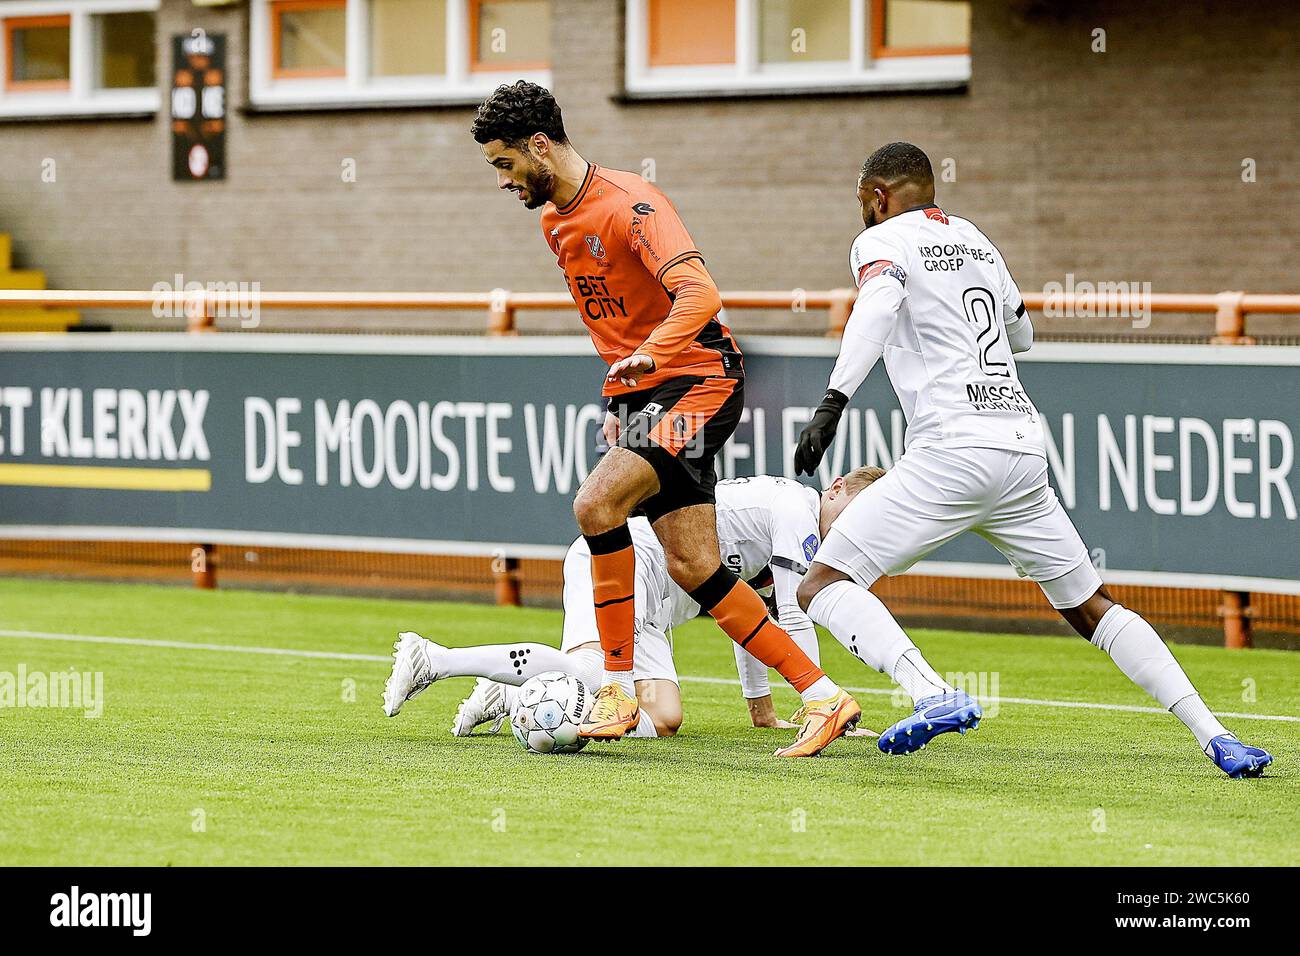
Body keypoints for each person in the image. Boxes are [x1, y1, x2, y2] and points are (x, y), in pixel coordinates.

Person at [792, 142, 1274, 777]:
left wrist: (833, 401)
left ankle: (932, 693)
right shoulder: (978, 242)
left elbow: (878, 306)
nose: (861, 214)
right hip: (1020, 449)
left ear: (879, 195)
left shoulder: (883, 241)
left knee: (821, 584)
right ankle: (1216, 735)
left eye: (862, 201)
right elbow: (1022, 333)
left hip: (953, 448)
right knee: (1090, 605)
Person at [469, 81, 857, 756]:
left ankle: (616, 687)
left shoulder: (632, 204)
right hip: (645, 394)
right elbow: (616, 319)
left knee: (595, 505)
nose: (502, 180)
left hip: (698, 381)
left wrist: (651, 356)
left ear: (540, 147)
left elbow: (699, 294)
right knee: (693, 566)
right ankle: (824, 697)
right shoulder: (554, 222)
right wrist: (624, 396)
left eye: (505, 163)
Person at [382, 471, 884, 739]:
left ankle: (512, 696)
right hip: (624, 561)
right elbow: (794, 617)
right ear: (834, 487)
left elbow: (752, 619)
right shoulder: (799, 511)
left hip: (654, 600)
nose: (850, 533)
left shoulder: (786, 530)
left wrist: (761, 709)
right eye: (854, 516)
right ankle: (435, 659)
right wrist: (819, 701)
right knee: (587, 674)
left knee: (661, 718)